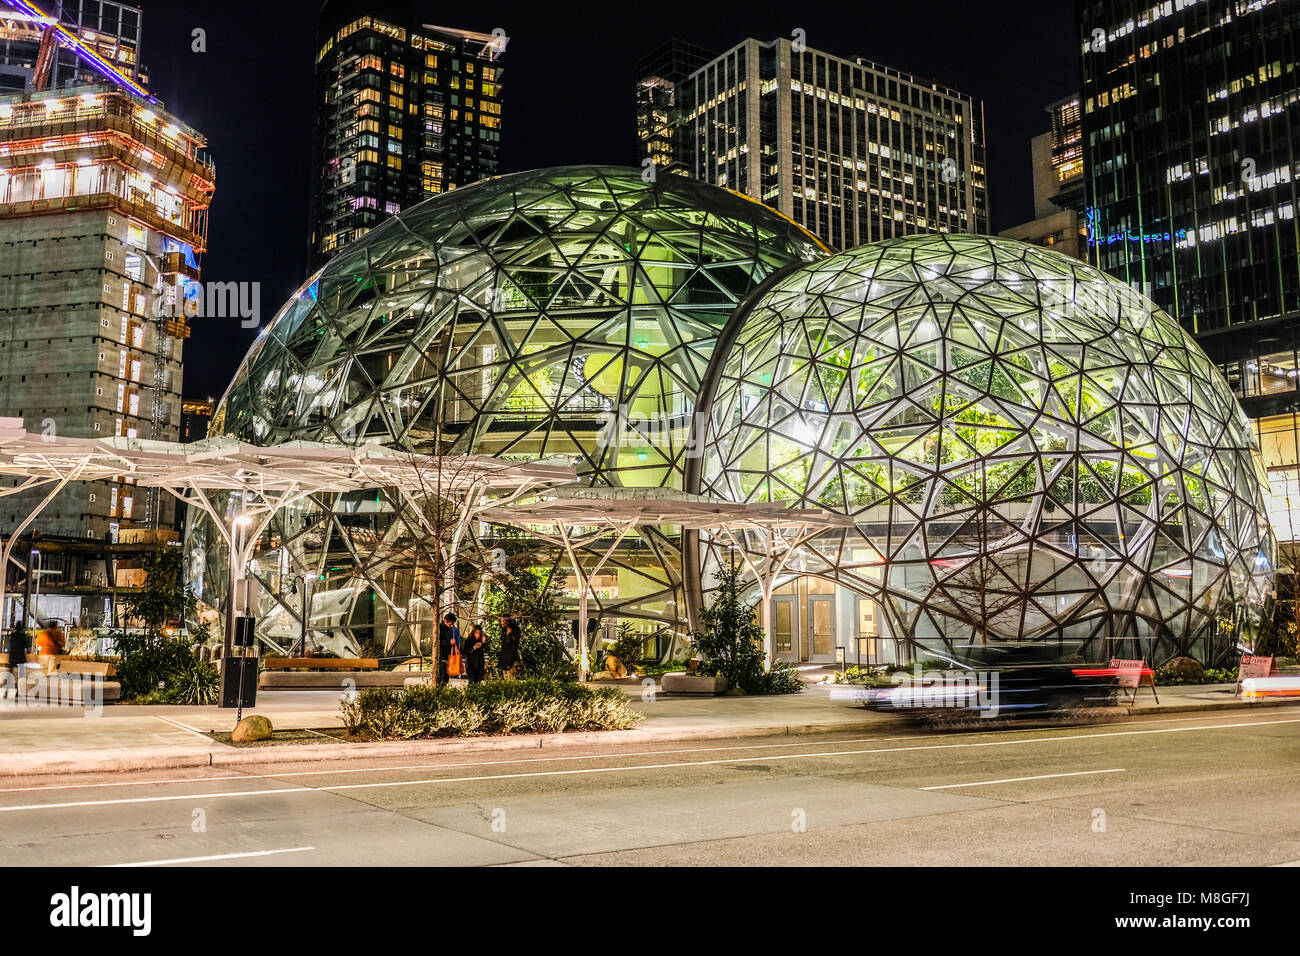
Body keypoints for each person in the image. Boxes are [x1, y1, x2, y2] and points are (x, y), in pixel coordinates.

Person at [2, 625, 29, 700]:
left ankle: (6, 691)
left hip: (12, 657)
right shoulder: (23, 636)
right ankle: (17, 692)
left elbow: (10, 644)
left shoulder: (12, 635)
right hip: (20, 658)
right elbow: (26, 645)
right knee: (21, 676)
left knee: (9, 675)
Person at [438, 612, 462, 685]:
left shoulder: (450, 629)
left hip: (448, 656)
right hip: (441, 656)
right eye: (451, 623)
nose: (451, 625)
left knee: (446, 678)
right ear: (445, 621)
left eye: (453, 623)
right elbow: (438, 643)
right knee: (441, 678)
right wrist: (449, 642)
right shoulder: (440, 628)